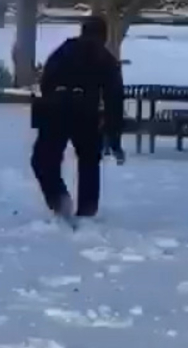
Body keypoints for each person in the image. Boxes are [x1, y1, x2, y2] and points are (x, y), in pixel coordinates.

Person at [31, 15, 124, 223]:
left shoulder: (65, 50)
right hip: (86, 112)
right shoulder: (106, 59)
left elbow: (46, 80)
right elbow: (114, 99)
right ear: (104, 36)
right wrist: (113, 134)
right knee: (89, 160)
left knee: (44, 159)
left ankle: (58, 198)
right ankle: (87, 210)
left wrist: (52, 98)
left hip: (56, 109)